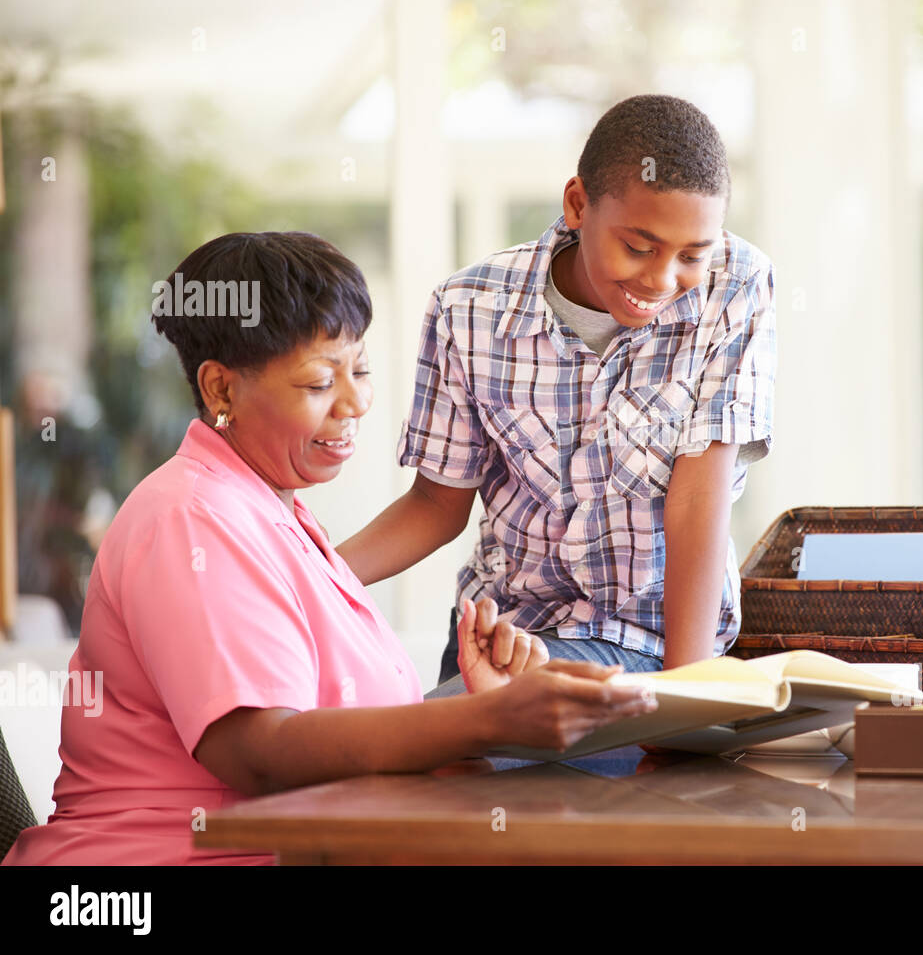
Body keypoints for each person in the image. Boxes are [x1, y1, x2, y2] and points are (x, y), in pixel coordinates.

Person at [2, 232, 655, 866]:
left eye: (361, 369)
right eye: (320, 383)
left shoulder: (279, 518)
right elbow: (262, 754)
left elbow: (341, 742)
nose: (357, 401)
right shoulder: (191, 519)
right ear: (221, 389)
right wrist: (481, 720)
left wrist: (478, 710)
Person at [337, 94, 777, 691]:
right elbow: (435, 507)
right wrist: (306, 575)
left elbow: (700, 498)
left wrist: (686, 700)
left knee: (438, 749)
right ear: (577, 204)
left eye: (691, 255)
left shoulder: (736, 285)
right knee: (429, 753)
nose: (661, 278)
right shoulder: (468, 309)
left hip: (649, 649)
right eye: (639, 247)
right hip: (498, 645)